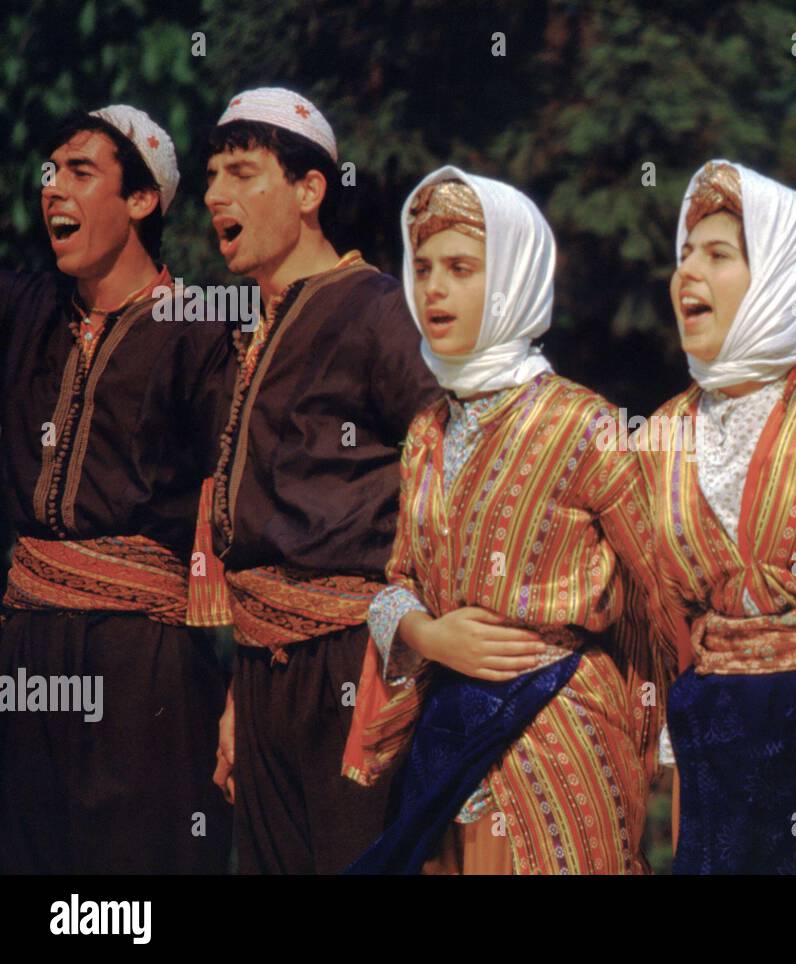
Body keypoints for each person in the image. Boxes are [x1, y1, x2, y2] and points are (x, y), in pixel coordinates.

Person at [344, 168, 674, 874]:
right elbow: (396, 581)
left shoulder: (586, 425)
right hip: (448, 738)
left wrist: (651, 740)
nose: (433, 288)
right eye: (424, 267)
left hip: (562, 736)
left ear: (513, 279)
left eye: (461, 268)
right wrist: (429, 635)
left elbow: (657, 600)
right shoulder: (428, 430)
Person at [201, 87, 440, 874]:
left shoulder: (375, 308)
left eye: (241, 172)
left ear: (310, 190)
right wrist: (242, 697)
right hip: (264, 664)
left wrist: (417, 638)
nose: (214, 196)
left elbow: (446, 465)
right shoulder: (255, 327)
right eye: (210, 177)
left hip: (353, 662)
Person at [0, 105, 232, 872]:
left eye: (80, 172)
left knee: (138, 872)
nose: (53, 190)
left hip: (145, 659)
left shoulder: (202, 332)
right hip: (29, 642)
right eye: (49, 173)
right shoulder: (28, 311)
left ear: (141, 200)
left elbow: (234, 501)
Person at [642, 160, 796, 874]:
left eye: (717, 256)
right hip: (714, 746)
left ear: (779, 275)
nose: (687, 276)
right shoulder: (660, 431)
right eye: (683, 257)